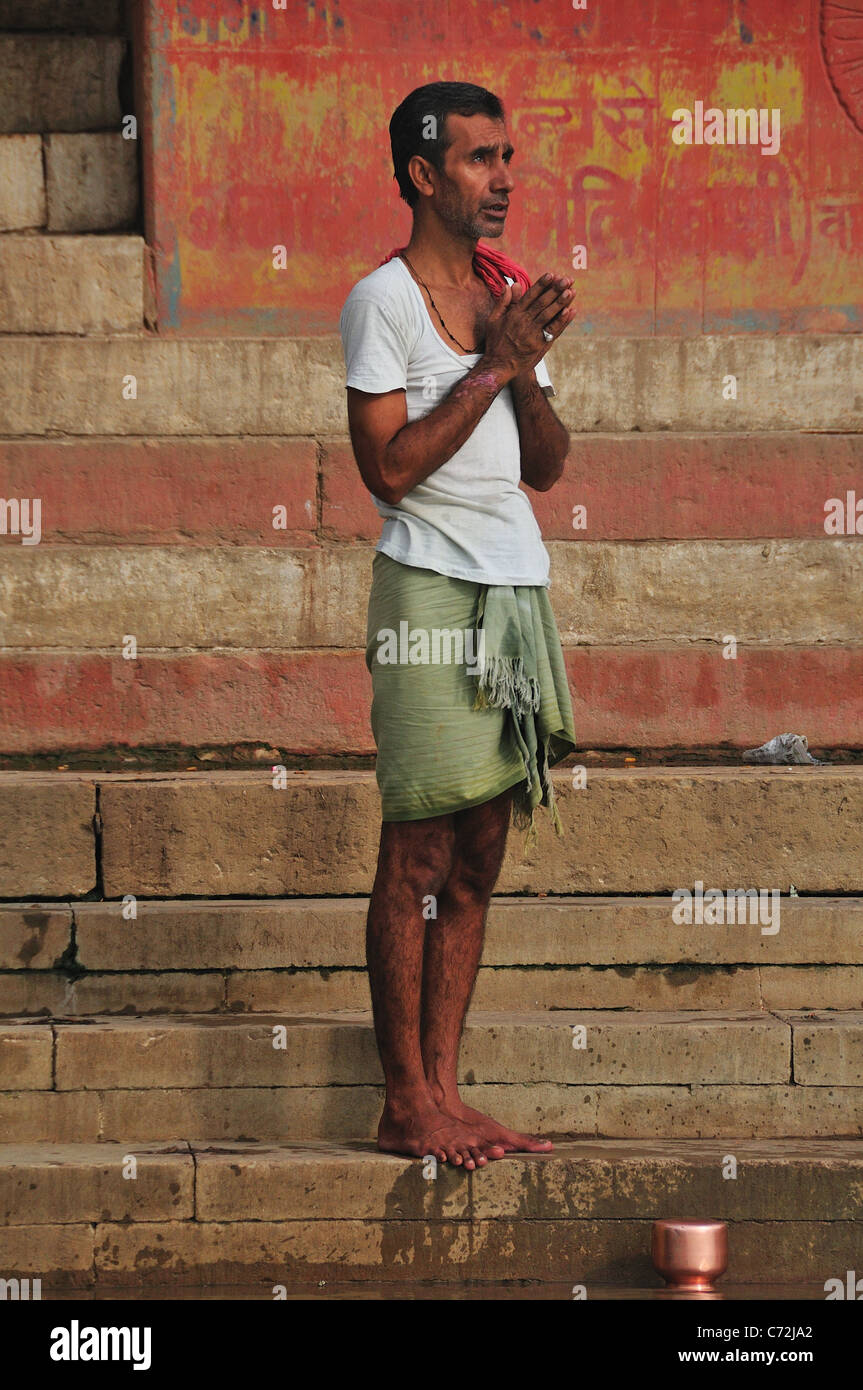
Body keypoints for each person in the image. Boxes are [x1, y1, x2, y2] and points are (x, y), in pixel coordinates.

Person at [339, 81, 577, 1171]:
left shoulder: (505, 291)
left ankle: (443, 1088)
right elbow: (386, 471)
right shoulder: (379, 301)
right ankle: (401, 1101)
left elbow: (544, 464)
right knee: (420, 848)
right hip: (428, 590)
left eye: (508, 156)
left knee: (479, 851)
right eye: (480, 159)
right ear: (424, 176)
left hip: (511, 590)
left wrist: (515, 360)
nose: (503, 178)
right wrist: (488, 364)